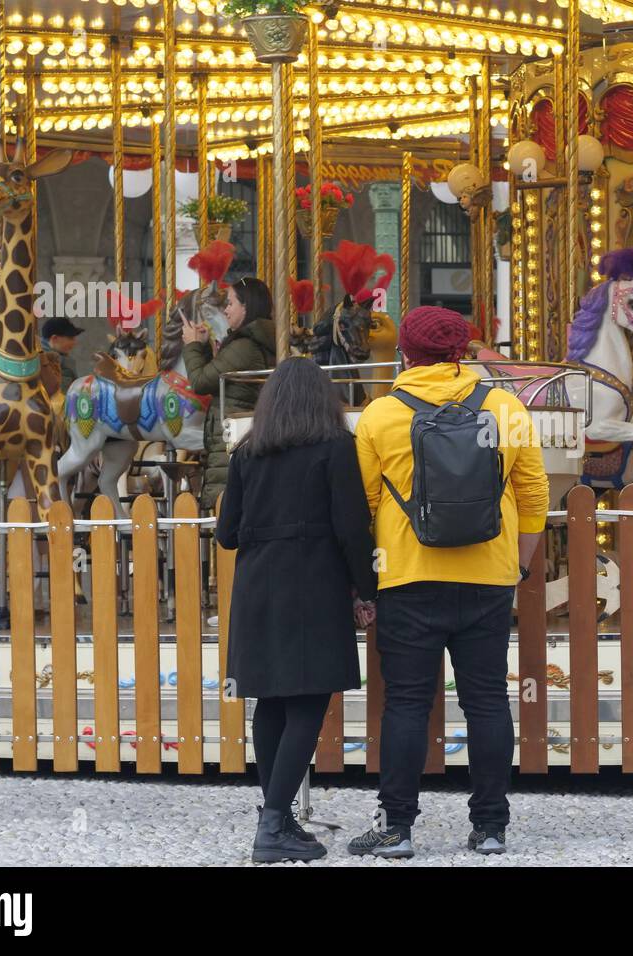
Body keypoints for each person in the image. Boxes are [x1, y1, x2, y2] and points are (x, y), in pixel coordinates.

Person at [349, 305, 549, 859]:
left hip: (406, 576)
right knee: (486, 700)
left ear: (405, 353)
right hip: (488, 576)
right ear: (462, 352)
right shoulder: (506, 406)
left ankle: (397, 827)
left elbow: (363, 505)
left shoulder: (380, 415)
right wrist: (519, 564)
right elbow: (534, 495)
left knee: (408, 703)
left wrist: (362, 583)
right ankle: (489, 828)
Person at [215, 357, 377, 864]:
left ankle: (279, 817)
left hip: (257, 586)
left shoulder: (247, 453)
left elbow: (226, 534)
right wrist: (366, 589)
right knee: (308, 702)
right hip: (312, 585)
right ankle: (271, 827)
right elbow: (351, 529)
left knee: (270, 700)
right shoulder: (335, 448)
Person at [181, 276, 277, 509]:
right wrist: (203, 346)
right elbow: (215, 377)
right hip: (239, 434)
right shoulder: (252, 342)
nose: (226, 309)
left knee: (225, 507)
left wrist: (192, 345)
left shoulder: (244, 346)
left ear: (246, 307)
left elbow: (201, 382)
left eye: (231, 303)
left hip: (232, 439)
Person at [41, 317, 82, 394]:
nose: (74, 342)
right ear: (55, 339)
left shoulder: (61, 358)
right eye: (70, 338)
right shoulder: (47, 364)